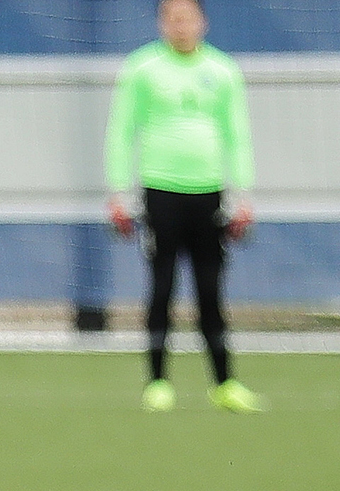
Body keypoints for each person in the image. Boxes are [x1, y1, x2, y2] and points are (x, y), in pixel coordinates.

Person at [105, 0, 261, 414]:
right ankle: (158, 382)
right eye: (171, 18)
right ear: (161, 23)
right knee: (162, 287)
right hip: (160, 192)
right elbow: (122, 130)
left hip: (209, 193)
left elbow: (237, 134)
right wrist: (119, 192)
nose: (180, 25)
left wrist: (242, 195)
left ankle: (224, 383)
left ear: (202, 22)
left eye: (186, 17)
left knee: (210, 290)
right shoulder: (142, 68)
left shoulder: (224, 70)